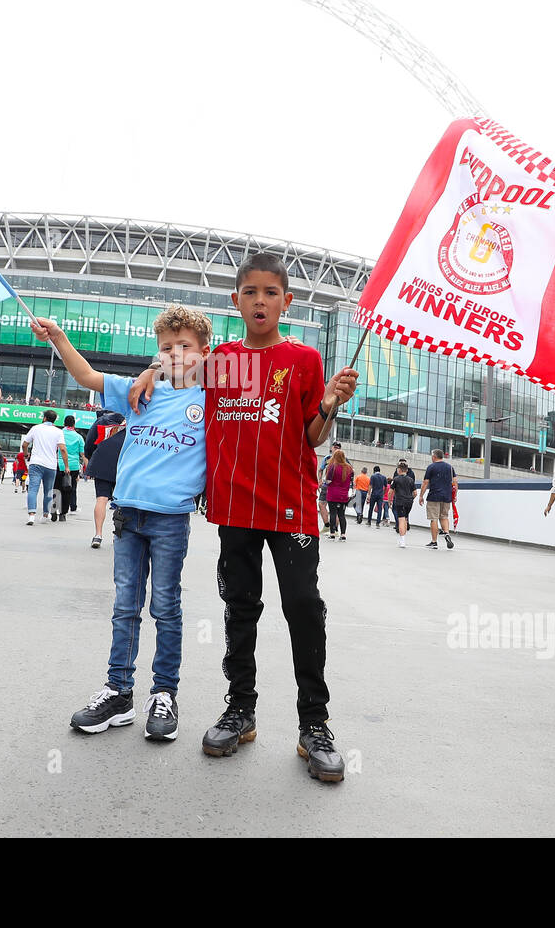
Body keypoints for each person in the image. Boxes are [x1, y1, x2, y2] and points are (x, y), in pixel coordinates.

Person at [127, 251, 358, 782]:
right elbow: (174, 362)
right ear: (236, 300)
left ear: (286, 301)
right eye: (250, 292)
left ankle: (314, 725)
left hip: (293, 506)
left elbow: (311, 439)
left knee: (303, 607)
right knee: (240, 608)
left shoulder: (303, 360)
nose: (260, 301)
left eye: (270, 293)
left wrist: (326, 405)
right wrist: (146, 371)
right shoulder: (224, 359)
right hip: (234, 507)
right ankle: (240, 710)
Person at [33, 307, 209, 742]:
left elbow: (241, 361)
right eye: (165, 348)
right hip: (128, 513)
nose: (174, 354)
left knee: (166, 608)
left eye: (185, 347)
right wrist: (58, 338)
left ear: (205, 352)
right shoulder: (137, 392)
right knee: (125, 606)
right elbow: (87, 377)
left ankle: (164, 694)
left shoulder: (212, 397)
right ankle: (119, 692)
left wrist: (156, 366)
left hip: (171, 519)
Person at [85, 417, 126, 549]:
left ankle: (98, 535)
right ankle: (118, 535)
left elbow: (89, 443)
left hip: (103, 462)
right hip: (124, 464)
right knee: (122, 502)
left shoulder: (103, 419)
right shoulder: (133, 417)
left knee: (101, 499)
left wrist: (91, 456)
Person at [22, 411, 67, 526]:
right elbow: (62, 449)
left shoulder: (36, 428)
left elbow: (25, 444)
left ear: (44, 418)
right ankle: (45, 515)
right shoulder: (58, 432)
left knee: (33, 489)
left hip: (36, 463)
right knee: (48, 491)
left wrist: (26, 454)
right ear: (54, 420)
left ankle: (31, 515)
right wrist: (66, 466)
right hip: (51, 465)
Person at [421, 448, 456, 549]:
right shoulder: (450, 467)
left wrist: (421, 496)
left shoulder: (431, 467)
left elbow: (425, 482)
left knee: (434, 519)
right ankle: (447, 533)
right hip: (447, 496)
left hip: (434, 496)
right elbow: (455, 482)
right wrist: (455, 495)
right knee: (444, 517)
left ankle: (434, 541)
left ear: (434, 456)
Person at [53, 414, 85, 521]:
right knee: (68, 490)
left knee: (56, 487)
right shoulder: (79, 437)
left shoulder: (59, 433)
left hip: (58, 464)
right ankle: (63, 514)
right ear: (74, 424)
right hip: (73, 467)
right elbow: (82, 454)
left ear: (63, 424)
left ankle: (53, 509)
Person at [324, 448, 353, 540]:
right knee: (341, 515)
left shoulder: (332, 466)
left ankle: (332, 533)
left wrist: (324, 481)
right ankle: (343, 534)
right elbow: (351, 481)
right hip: (343, 495)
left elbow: (328, 481)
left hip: (333, 494)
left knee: (333, 514)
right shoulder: (349, 468)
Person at [390, 463, 415, 548]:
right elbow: (415, 493)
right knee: (405, 519)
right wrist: (411, 498)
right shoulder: (411, 480)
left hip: (400, 501)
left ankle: (402, 540)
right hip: (409, 502)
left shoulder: (396, 479)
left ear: (399, 470)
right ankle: (402, 538)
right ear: (407, 470)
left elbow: (390, 491)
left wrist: (389, 501)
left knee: (401, 519)